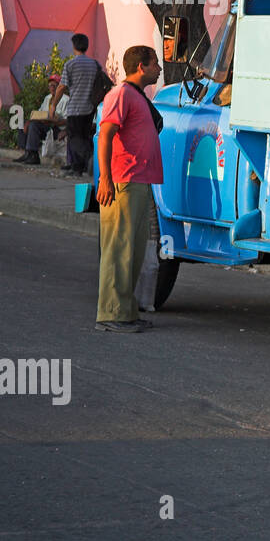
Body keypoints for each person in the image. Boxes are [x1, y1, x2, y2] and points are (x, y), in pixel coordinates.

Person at [95, 46, 164, 333]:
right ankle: (110, 315)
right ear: (141, 67)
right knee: (118, 250)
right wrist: (105, 179)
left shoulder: (136, 96)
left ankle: (126, 312)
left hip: (138, 182)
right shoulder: (121, 95)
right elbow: (106, 135)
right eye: (155, 64)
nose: (159, 69)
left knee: (132, 251)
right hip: (122, 182)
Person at [53, 33, 101, 175]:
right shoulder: (95, 64)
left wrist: (53, 104)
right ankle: (76, 167)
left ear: (74, 46)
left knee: (74, 138)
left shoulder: (71, 64)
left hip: (75, 107)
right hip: (90, 108)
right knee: (84, 136)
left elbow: (62, 87)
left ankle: (90, 158)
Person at [14, 74, 69, 165]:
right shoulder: (47, 98)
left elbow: (67, 120)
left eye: (54, 85)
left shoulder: (65, 99)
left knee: (34, 125)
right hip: (46, 126)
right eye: (50, 85)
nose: (51, 87)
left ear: (59, 86)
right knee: (24, 124)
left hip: (56, 128)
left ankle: (34, 155)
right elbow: (40, 113)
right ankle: (27, 153)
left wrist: (53, 120)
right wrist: (31, 120)